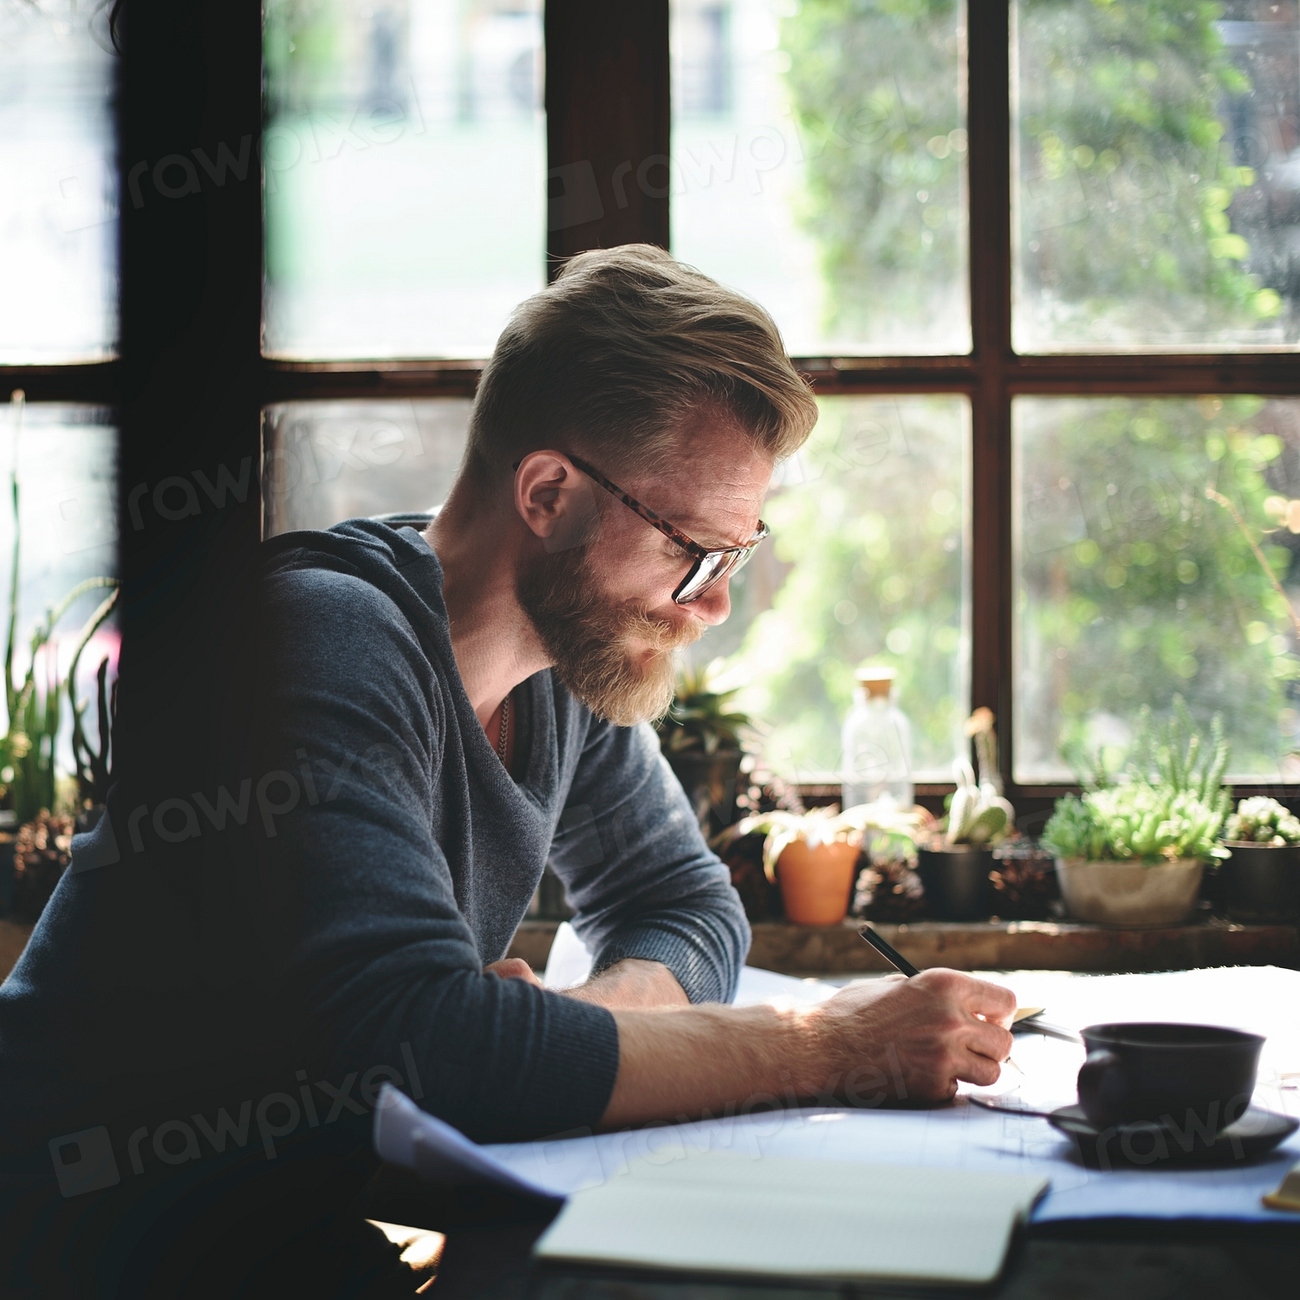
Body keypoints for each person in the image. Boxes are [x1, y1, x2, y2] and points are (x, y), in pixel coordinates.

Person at [0, 245, 1012, 1293]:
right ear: (547, 493)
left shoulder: (569, 666)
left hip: (269, 1229)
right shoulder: (318, 638)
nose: (713, 605)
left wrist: (573, 1028)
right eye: (692, 552)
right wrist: (827, 1045)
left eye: (737, 556)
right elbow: (423, 1047)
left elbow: (681, 898)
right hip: (80, 1239)